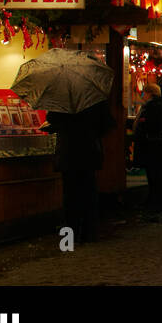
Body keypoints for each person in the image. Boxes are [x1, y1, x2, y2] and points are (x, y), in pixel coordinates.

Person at [44, 99, 114, 244]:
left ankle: (70, 236)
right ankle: (90, 234)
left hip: (68, 153)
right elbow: (108, 124)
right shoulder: (96, 99)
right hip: (89, 152)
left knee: (70, 196)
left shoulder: (62, 99)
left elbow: (51, 119)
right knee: (90, 194)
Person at [134, 82, 162, 220]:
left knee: (155, 176)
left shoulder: (152, 107)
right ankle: (155, 201)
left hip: (153, 148)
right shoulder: (157, 106)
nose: (142, 95)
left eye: (144, 92)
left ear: (150, 93)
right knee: (155, 176)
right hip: (157, 148)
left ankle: (156, 203)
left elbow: (150, 126)